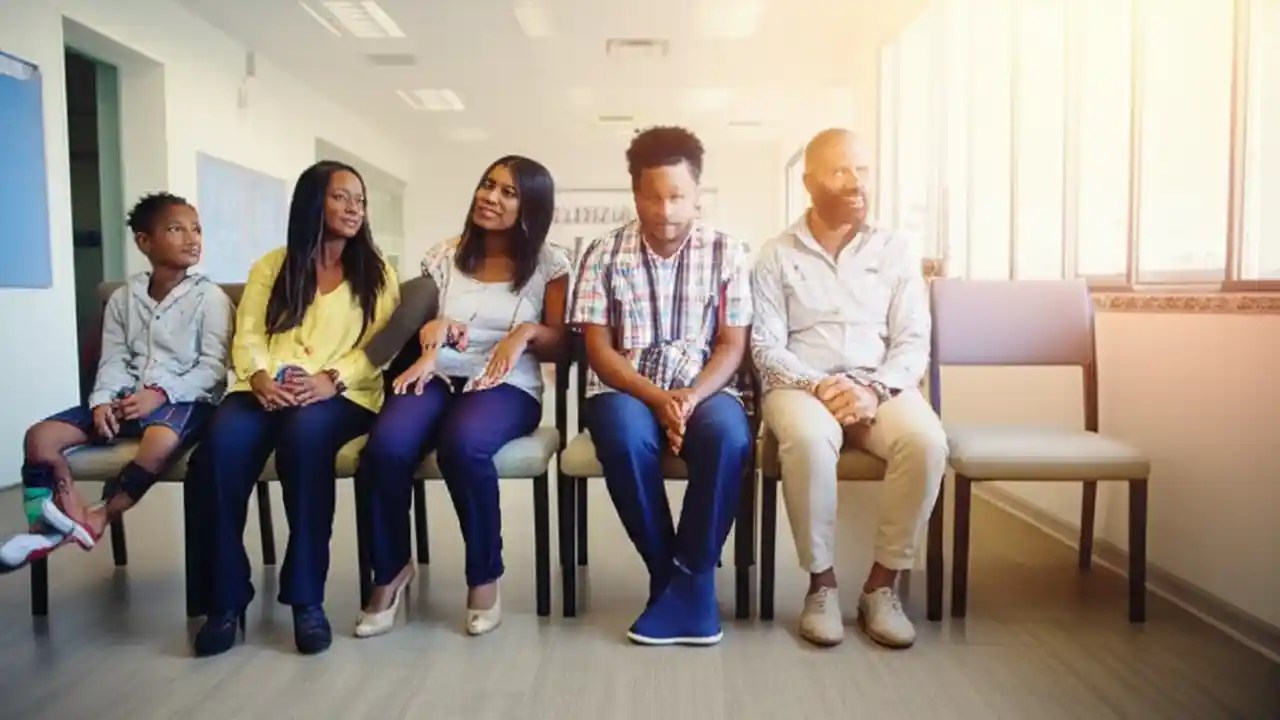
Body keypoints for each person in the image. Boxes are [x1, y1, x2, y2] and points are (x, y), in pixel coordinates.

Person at [353, 155, 568, 639]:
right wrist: (433, 333)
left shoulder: (550, 265)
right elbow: (421, 323)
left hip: (508, 384)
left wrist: (525, 333)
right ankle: (391, 571)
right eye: (487, 185)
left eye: (508, 192)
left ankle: (484, 575)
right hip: (438, 372)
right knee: (385, 449)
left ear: (531, 206)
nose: (490, 197)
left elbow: (562, 343)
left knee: (462, 445)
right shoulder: (443, 256)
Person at [190, 160, 399, 656]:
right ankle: (225, 601)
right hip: (265, 389)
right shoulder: (272, 265)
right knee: (217, 451)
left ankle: (307, 599)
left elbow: (380, 348)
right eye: (341, 197)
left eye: (360, 200)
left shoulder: (377, 273)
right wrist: (260, 376)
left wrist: (331, 380)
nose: (353, 208)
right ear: (312, 202)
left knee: (305, 442)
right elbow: (249, 333)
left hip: (342, 395)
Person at [751, 128, 948, 649]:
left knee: (926, 442)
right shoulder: (776, 254)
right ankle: (821, 586)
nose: (856, 182)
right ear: (809, 182)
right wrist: (820, 385)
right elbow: (765, 346)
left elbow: (913, 343)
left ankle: (882, 587)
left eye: (862, 170)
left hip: (880, 383)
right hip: (802, 385)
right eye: (840, 171)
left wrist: (873, 391)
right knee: (809, 440)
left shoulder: (896, 249)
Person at [568, 126, 752, 646]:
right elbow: (599, 351)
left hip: (705, 387)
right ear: (634, 195)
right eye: (653, 197)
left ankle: (688, 579)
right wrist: (657, 398)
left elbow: (731, 346)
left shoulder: (728, 252)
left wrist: (689, 397)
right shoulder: (603, 253)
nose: (666, 210)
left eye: (678, 197)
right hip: (625, 388)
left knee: (730, 437)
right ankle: (672, 577)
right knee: (626, 439)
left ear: (697, 195)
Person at [1, 193, 231, 573]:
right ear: (144, 241)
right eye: (176, 229)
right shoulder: (124, 299)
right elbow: (113, 359)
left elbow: (213, 370)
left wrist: (160, 394)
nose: (192, 238)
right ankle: (53, 525)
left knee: (159, 441)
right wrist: (102, 401)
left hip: (184, 401)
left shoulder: (210, 298)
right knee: (40, 438)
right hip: (126, 400)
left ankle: (99, 516)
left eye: (197, 229)